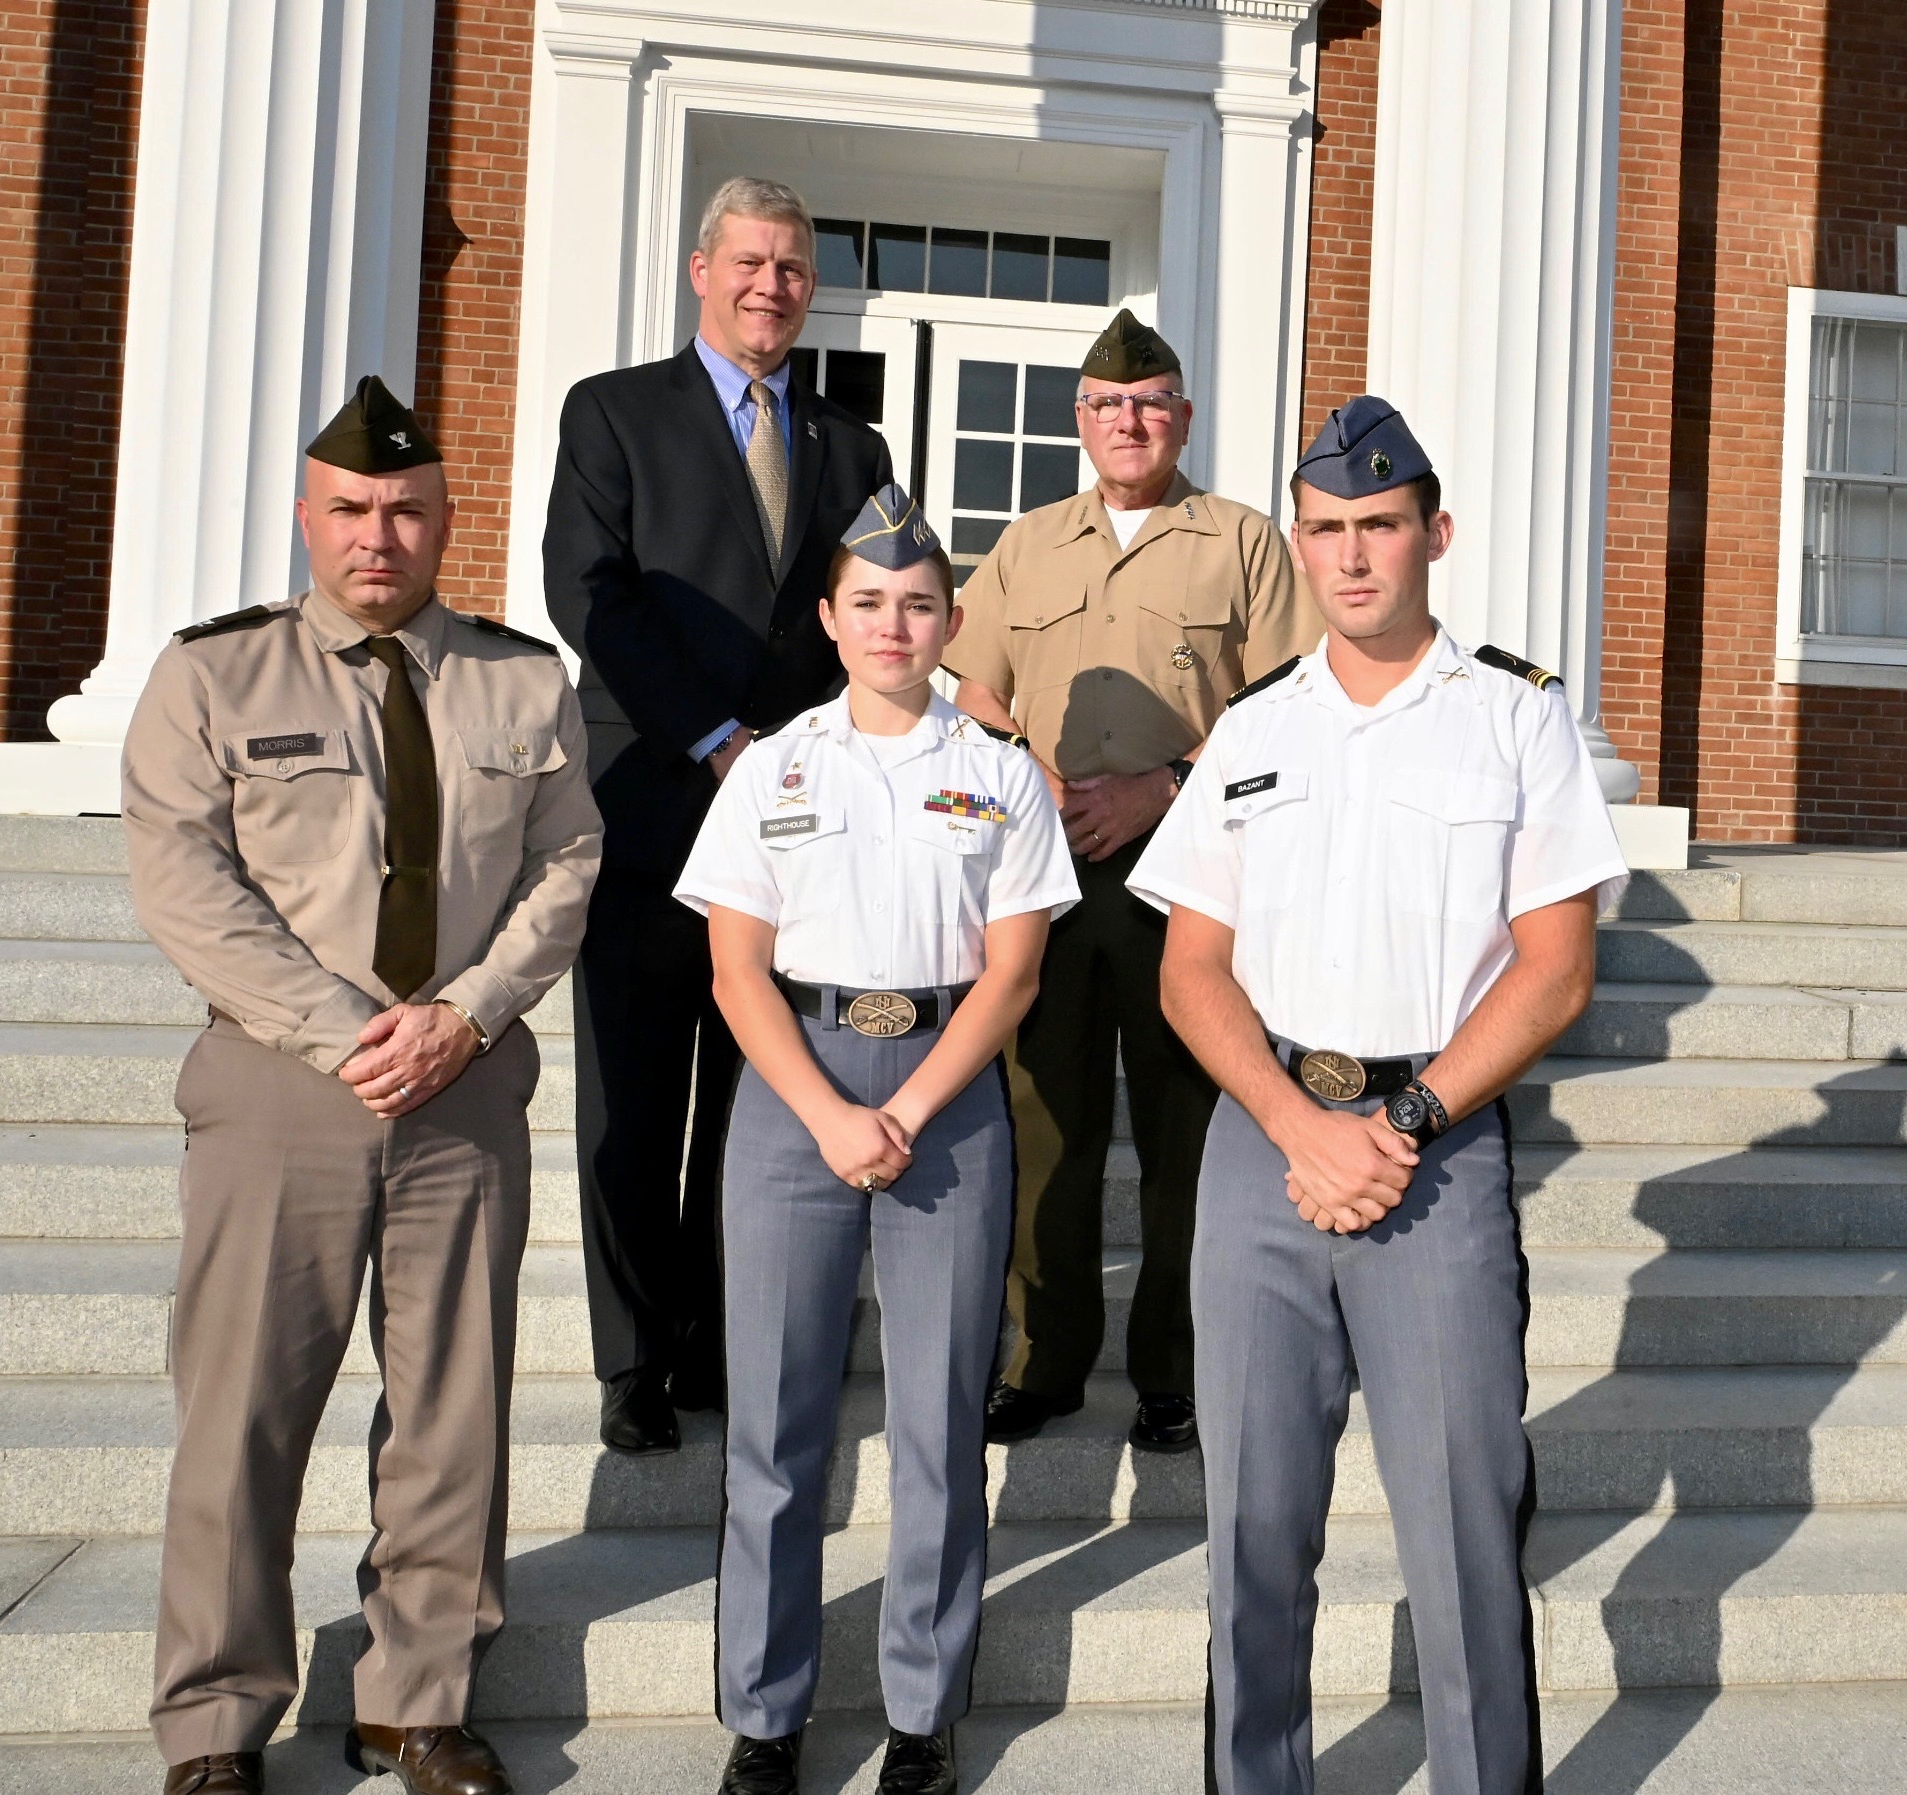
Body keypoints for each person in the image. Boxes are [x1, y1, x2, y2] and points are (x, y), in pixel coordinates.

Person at [1126, 397, 1629, 1795]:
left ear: (1433, 535)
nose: (1352, 557)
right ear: (1299, 542)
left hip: (1437, 1150)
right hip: (1263, 1144)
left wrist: (1398, 1129)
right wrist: (1298, 1126)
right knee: (1249, 1529)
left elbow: (1553, 970)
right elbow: (1188, 969)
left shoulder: (1514, 720)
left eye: (1379, 526)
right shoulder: (1247, 729)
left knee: (1464, 1524)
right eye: (1328, 529)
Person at [125, 376, 603, 1795]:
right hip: (280, 1085)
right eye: (348, 510)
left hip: (460, 1088)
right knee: (243, 1411)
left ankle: (418, 1697)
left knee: (452, 1407)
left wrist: (462, 1015)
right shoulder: (213, 675)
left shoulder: (523, 682)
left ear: (445, 519)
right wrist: (347, 1029)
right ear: (306, 519)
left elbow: (565, 861)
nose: (375, 536)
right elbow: (185, 882)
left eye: (403, 509)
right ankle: (215, 1717)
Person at [676, 486, 1077, 1795]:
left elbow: (1012, 974)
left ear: (950, 619)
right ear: (829, 620)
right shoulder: (774, 768)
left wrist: (901, 1108)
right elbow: (735, 971)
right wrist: (832, 1110)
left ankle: (920, 1708)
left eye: (917, 603)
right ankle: (766, 1709)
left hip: (945, 1093)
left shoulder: (1000, 773)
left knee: (935, 1416)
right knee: (778, 1425)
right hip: (793, 1093)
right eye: (868, 603)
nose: (893, 623)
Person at [543, 175, 895, 1456]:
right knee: (634, 1101)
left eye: (793, 269)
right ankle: (633, 1362)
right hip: (650, 804)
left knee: (755, 1102)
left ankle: (717, 1343)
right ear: (703, 271)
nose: (770, 287)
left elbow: (869, 616)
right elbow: (590, 595)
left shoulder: (855, 448)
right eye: (748, 262)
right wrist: (716, 737)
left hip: (794, 833)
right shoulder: (615, 413)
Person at [945, 307, 1319, 1455]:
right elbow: (973, 692)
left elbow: (1287, 703)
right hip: (1050, 875)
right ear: (1081, 423)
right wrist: (1042, 786)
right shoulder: (1027, 542)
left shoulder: (1244, 541)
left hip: (1187, 877)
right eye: (1109, 405)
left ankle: (1177, 1371)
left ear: (1184, 418)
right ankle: (1043, 1363)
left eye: (1151, 402)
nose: (1130, 421)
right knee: (1043, 1125)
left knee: (1185, 1129)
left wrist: (1161, 787)